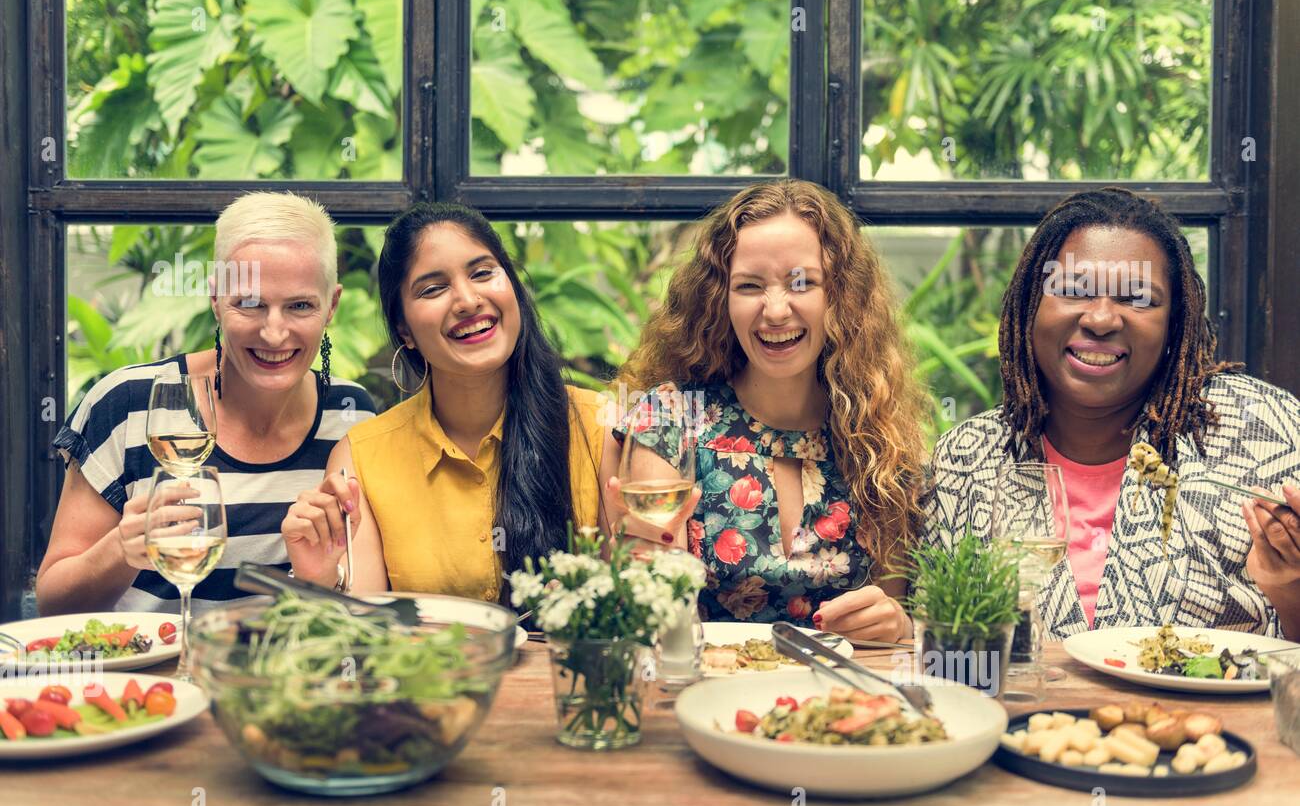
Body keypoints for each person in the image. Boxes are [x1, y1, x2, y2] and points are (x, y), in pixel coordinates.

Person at [925, 187, 1300, 639]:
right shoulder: (965, 460)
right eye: (1072, 290)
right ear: (1030, 308)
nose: (1101, 320)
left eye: (1137, 298)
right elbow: (941, 656)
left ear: (1174, 322)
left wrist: (1291, 588)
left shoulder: (1266, 431)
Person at [601, 179, 928, 643]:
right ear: (721, 300)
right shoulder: (670, 417)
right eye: (750, 286)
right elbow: (647, 601)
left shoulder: (876, 433)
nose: (775, 311)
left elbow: (892, 613)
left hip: (836, 698)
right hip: (707, 691)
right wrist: (636, 575)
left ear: (839, 296)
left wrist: (898, 624)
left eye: (802, 283)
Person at [37, 191, 375, 615]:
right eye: (248, 303)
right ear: (216, 300)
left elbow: (351, 609)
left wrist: (323, 575)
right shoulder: (128, 403)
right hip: (147, 677)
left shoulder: (352, 414)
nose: (274, 333)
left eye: (300, 305)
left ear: (332, 306)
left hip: (277, 676)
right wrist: (119, 551)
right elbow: (52, 604)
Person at [281, 202, 605, 604]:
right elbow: (361, 625)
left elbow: (638, 613)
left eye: (483, 273)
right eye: (433, 289)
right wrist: (322, 576)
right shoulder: (362, 457)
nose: (467, 300)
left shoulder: (600, 429)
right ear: (405, 330)